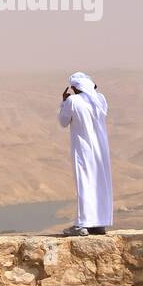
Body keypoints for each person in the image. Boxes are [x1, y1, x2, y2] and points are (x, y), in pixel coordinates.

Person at [58, 72, 113, 236]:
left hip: (83, 148)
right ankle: (99, 223)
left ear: (75, 88)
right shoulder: (100, 99)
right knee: (100, 182)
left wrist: (63, 102)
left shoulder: (72, 101)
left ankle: (82, 225)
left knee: (85, 182)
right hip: (101, 149)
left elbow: (63, 122)